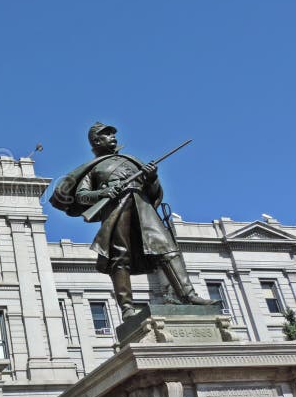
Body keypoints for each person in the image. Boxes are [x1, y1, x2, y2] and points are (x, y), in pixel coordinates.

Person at [50, 122, 215, 318]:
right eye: (107, 134)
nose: (112, 137)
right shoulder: (93, 169)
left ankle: (189, 295)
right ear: (96, 140)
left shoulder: (133, 160)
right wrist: (103, 192)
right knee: (120, 257)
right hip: (117, 210)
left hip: (142, 207)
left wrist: (152, 178)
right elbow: (81, 195)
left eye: (112, 134)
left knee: (167, 249)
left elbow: (153, 193)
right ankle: (127, 308)